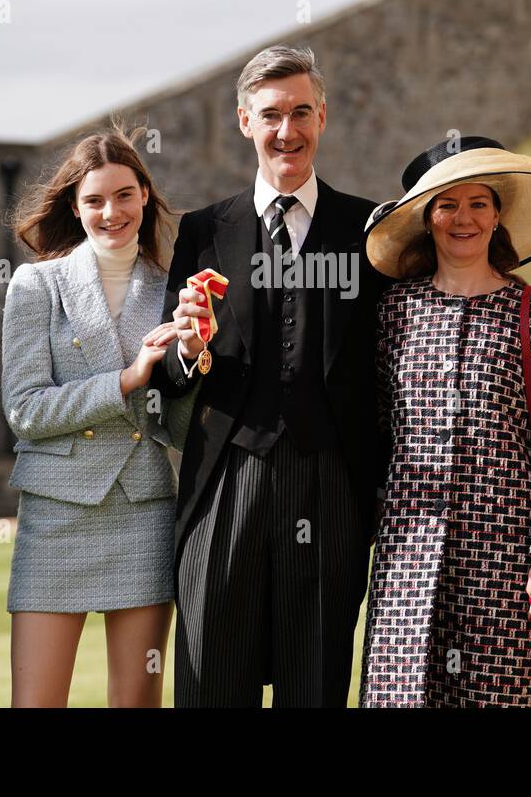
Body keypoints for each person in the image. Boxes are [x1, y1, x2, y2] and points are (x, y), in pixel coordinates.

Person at [150, 44, 388, 707]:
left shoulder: (369, 230)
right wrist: (190, 347)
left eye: (302, 113)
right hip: (226, 475)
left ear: (324, 117)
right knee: (210, 678)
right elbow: (171, 376)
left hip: (332, 483)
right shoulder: (202, 230)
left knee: (313, 683)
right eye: (272, 115)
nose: (288, 131)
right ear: (243, 121)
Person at [358, 135, 531, 707]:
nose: (463, 218)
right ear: (426, 219)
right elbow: (377, 434)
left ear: (497, 215)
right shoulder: (393, 311)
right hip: (408, 562)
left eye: (478, 203)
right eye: (447, 204)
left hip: (508, 562)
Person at [2, 126, 180, 708]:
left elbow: (179, 420)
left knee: (137, 703)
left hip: (145, 508)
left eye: (124, 195)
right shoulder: (35, 285)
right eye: (95, 200)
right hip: (57, 512)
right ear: (75, 208)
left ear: (145, 196)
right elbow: (24, 410)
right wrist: (124, 381)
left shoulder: (173, 290)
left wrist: (197, 360)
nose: (112, 212)